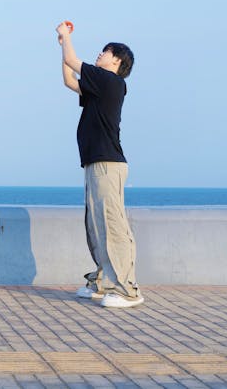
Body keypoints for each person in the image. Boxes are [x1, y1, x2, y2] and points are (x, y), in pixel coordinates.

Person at [57, 23, 143, 308]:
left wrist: (67, 37)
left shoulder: (111, 81)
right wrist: (62, 45)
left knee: (113, 225)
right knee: (97, 226)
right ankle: (104, 281)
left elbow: (73, 62)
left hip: (108, 163)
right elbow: (70, 80)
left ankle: (127, 289)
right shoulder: (99, 86)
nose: (100, 54)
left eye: (105, 52)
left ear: (117, 61)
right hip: (96, 162)